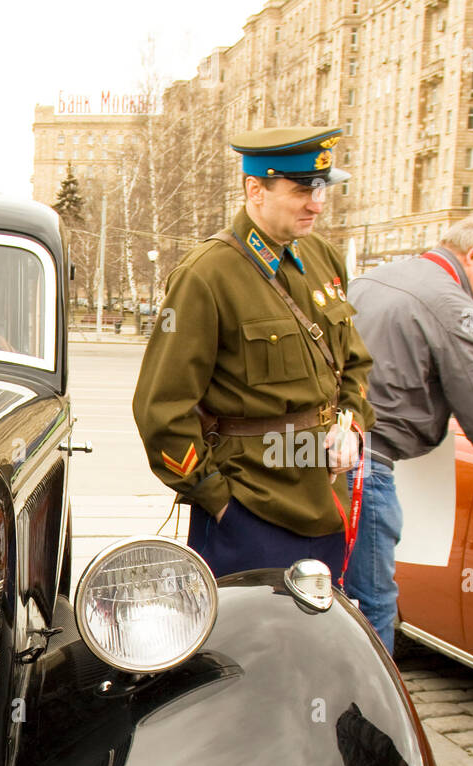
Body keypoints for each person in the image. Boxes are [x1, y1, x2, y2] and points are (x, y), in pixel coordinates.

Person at [133, 126, 373, 579]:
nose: (317, 203)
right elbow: (160, 410)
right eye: (302, 189)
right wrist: (216, 499)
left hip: (327, 502)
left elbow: (354, 363)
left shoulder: (322, 257)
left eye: (322, 189)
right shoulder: (207, 275)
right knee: (243, 648)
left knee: (318, 643)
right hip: (251, 510)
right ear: (255, 189)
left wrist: (352, 427)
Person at [345, 217, 473, 652]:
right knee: (375, 602)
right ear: (472, 255)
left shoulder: (373, 279)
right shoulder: (452, 305)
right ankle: (373, 715)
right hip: (371, 465)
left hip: (327, 453)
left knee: (328, 592)